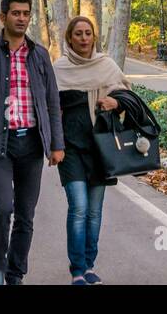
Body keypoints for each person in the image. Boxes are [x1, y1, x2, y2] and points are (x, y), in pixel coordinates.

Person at [0, 0, 64, 284]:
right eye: (16, 13)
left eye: (26, 13)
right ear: (3, 16)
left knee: (25, 215)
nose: (21, 18)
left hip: (32, 144)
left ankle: (15, 274)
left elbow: (53, 102)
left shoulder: (40, 55)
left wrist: (57, 144)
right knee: (2, 207)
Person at [52, 15, 129, 285]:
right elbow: (51, 109)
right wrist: (54, 145)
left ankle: (89, 265)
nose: (84, 38)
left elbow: (126, 96)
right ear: (69, 39)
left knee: (95, 211)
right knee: (79, 208)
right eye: (78, 34)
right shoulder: (59, 68)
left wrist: (114, 103)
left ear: (93, 37)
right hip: (70, 148)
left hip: (101, 147)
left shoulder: (106, 66)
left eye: (88, 33)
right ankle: (77, 270)